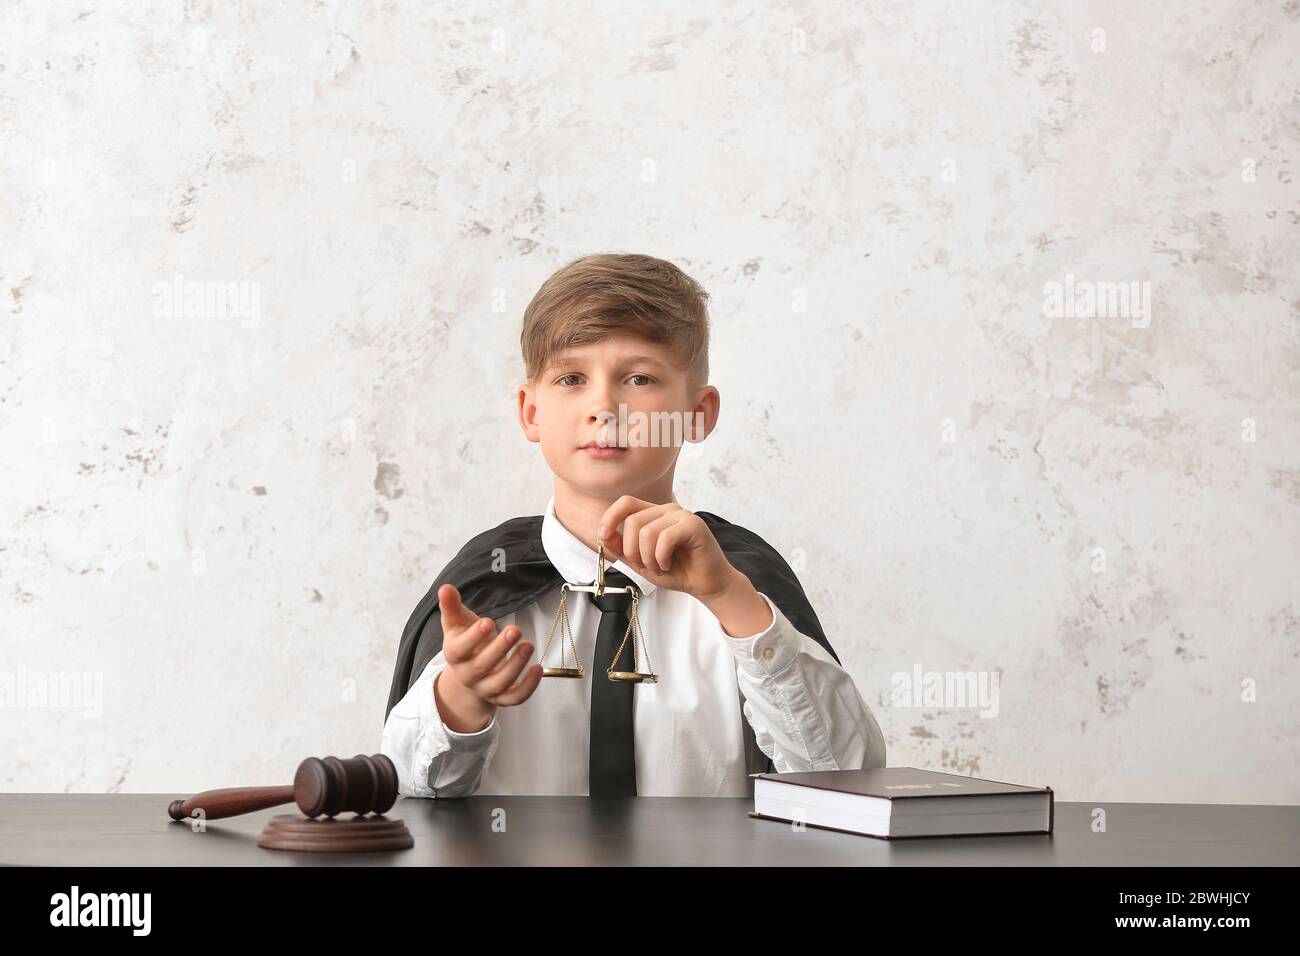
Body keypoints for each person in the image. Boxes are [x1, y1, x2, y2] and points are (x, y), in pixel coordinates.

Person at [381, 252, 886, 797]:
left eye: (639, 377)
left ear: (699, 413)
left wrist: (733, 601)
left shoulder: (740, 586)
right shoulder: (486, 587)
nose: (604, 405)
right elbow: (404, 793)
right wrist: (461, 696)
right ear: (531, 412)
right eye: (571, 377)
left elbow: (848, 781)